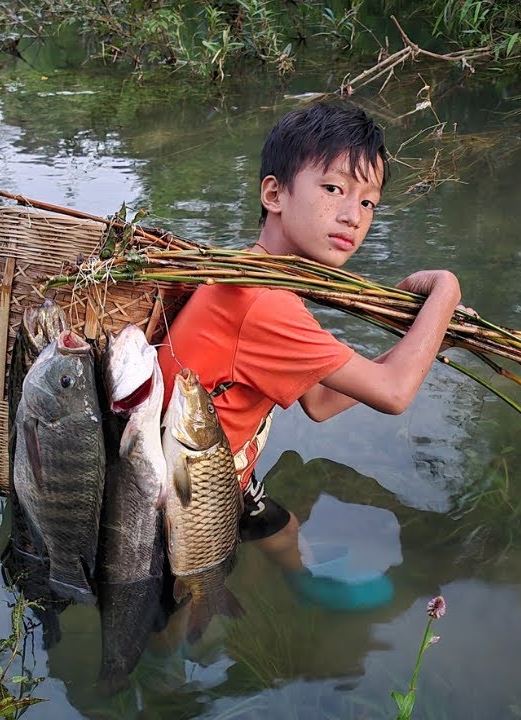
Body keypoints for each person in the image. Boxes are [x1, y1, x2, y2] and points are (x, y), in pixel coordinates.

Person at [155, 101, 462, 612]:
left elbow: (318, 401)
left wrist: (435, 340)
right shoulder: (266, 304)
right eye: (334, 189)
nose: (353, 216)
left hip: (223, 465)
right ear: (274, 193)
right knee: (178, 608)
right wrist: (446, 293)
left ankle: (301, 580)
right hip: (188, 495)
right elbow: (394, 393)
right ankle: (163, 671)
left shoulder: (259, 272)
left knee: (277, 523)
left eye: (369, 203)